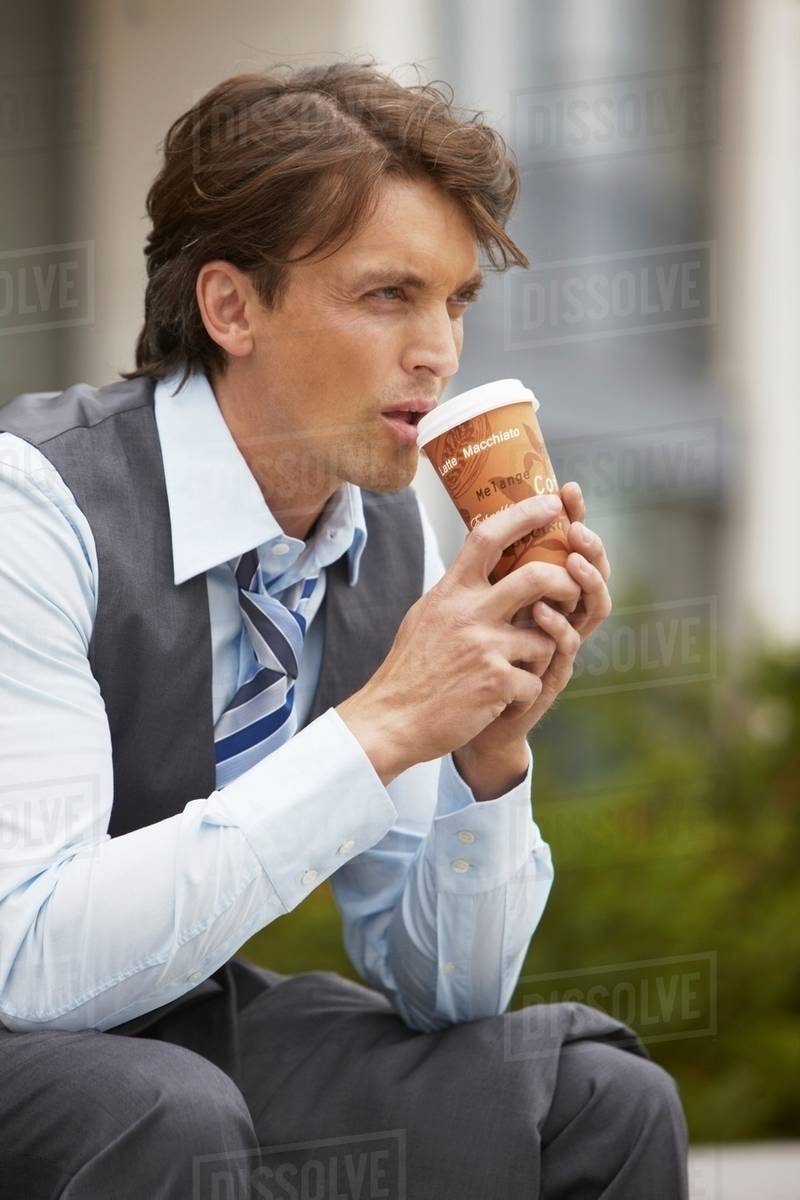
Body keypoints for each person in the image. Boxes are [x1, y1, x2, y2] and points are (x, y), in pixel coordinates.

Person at [0, 60, 688, 1198]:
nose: (439, 352)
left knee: (595, 1102)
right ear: (231, 308)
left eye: (454, 302)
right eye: (387, 296)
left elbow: (442, 996)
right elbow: (28, 963)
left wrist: (483, 754)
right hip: (31, 1022)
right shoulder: (35, 505)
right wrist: (382, 725)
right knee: (168, 1112)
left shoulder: (384, 534)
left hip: (175, 1022)